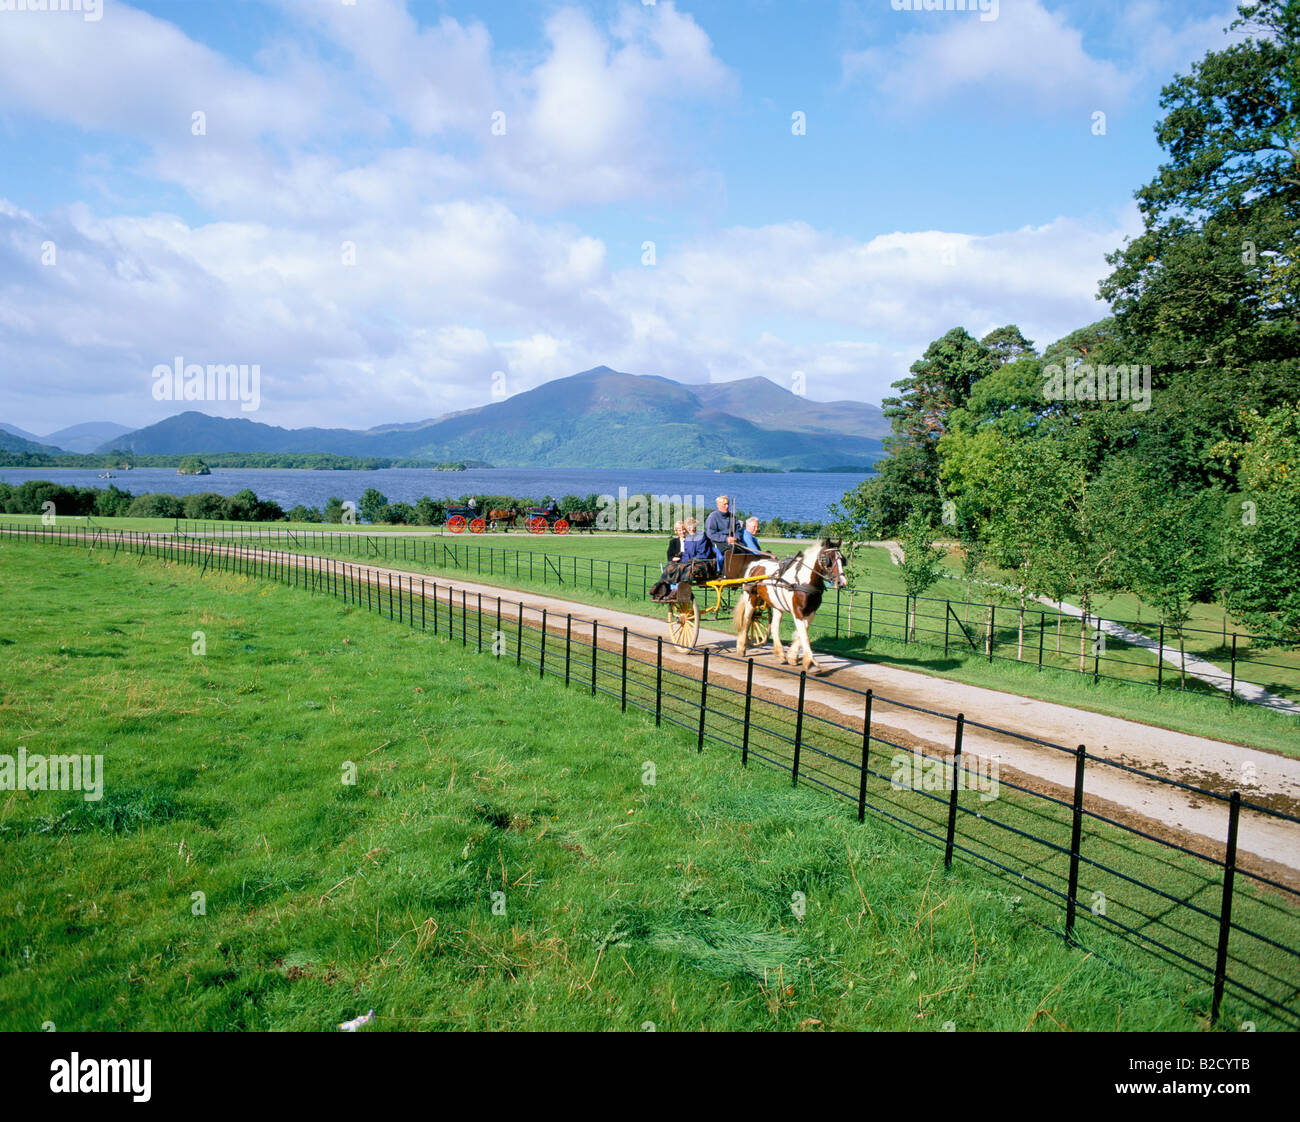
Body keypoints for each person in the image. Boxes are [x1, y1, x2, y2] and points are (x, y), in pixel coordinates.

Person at [704, 495, 736, 567]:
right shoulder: (713, 517)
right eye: (724, 504)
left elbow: (738, 530)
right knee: (726, 555)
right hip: (717, 542)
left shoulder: (732, 516)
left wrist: (736, 537)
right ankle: (723, 573)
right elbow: (710, 534)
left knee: (742, 552)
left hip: (733, 541)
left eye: (728, 504)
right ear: (718, 505)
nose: (727, 506)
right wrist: (726, 538)